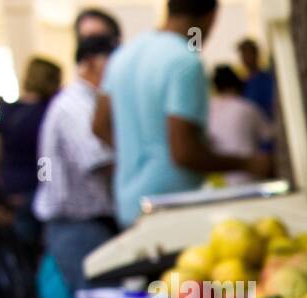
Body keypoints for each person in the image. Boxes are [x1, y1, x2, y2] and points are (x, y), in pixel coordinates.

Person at [92, 0, 272, 226]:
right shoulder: (185, 62)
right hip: (173, 208)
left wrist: (137, 153)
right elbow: (185, 152)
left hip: (129, 203)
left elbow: (99, 125)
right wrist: (250, 164)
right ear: (211, 17)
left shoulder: (123, 56)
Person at [33, 34, 119, 298]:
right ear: (92, 64)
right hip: (78, 226)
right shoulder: (75, 105)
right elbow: (98, 160)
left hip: (83, 225)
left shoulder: (84, 101)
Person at [0, 57, 63, 246]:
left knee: (20, 251)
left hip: (10, 190)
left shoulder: (8, 111)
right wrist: (46, 182)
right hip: (35, 189)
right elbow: (46, 159)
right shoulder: (47, 113)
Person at [207, 65, 273, 186]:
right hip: (247, 180)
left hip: (214, 183)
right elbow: (269, 136)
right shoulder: (248, 108)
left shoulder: (205, 110)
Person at [237, 38, 275, 118]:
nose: (244, 58)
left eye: (247, 53)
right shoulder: (243, 83)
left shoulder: (266, 79)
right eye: (242, 54)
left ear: (255, 54)